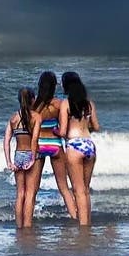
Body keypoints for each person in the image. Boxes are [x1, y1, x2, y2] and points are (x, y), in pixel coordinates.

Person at [27, 71, 78, 219]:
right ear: (54, 86)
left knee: (32, 190)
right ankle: (76, 218)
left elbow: (30, 127)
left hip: (39, 144)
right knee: (64, 188)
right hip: (55, 144)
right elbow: (65, 126)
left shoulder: (34, 105)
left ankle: (27, 222)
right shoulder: (59, 104)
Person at [59, 71, 100, 226]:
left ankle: (84, 227)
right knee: (85, 190)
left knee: (78, 189)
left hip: (74, 145)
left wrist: (55, 132)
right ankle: (87, 221)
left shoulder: (66, 104)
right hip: (89, 145)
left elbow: (63, 131)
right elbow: (96, 127)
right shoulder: (89, 104)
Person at [3, 87, 41, 228]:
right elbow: (34, 139)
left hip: (18, 155)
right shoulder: (36, 117)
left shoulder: (13, 118)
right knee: (30, 194)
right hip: (32, 155)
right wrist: (32, 158)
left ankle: (19, 226)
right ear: (32, 100)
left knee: (20, 194)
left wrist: (9, 162)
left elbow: (6, 141)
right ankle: (27, 226)